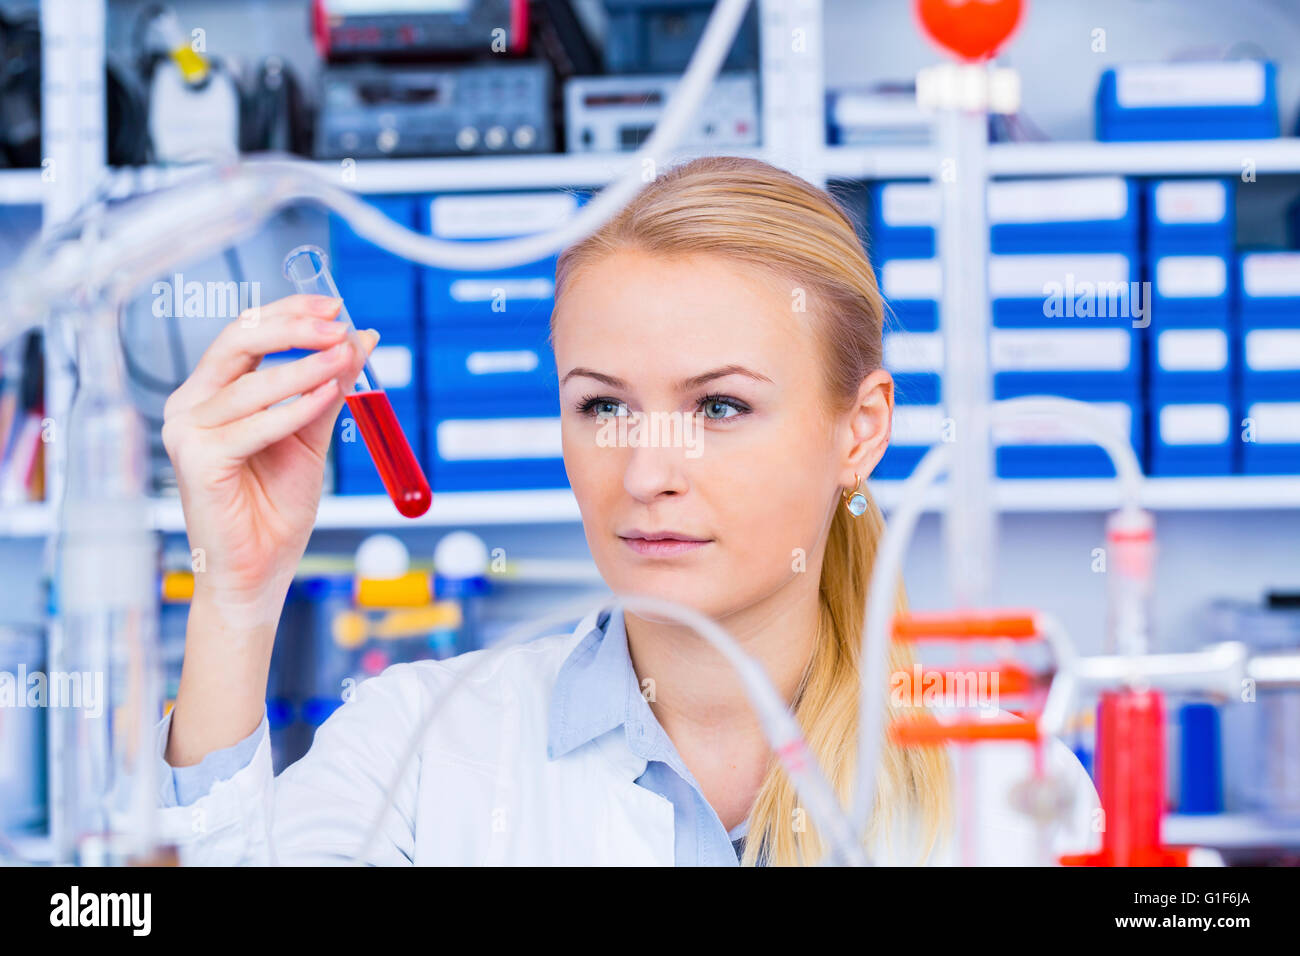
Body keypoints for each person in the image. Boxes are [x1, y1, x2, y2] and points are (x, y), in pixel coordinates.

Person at [155, 155, 1099, 866]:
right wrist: (238, 596)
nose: (648, 471)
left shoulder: (1012, 788)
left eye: (719, 407)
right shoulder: (418, 742)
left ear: (860, 430)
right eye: (603, 406)